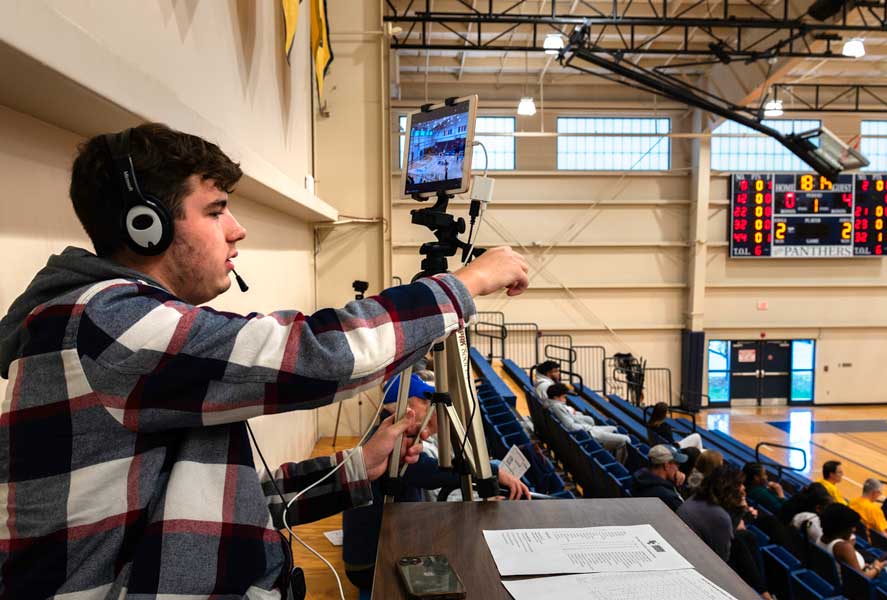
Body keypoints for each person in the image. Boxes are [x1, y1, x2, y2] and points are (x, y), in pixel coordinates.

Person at [0, 124, 530, 599]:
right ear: (146, 225)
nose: (237, 229)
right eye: (214, 211)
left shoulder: (108, 324)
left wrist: (356, 469)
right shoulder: (105, 323)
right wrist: (466, 284)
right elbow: (321, 356)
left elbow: (216, 513)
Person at [342, 374, 530, 592]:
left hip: (377, 548)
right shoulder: (391, 443)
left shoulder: (381, 434)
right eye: (430, 421)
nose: (428, 433)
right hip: (370, 563)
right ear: (412, 404)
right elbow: (431, 474)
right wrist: (492, 471)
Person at [678, 465, 774, 600]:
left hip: (688, 554)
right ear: (729, 488)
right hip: (700, 571)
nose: (744, 487)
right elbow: (723, 558)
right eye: (740, 484)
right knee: (741, 544)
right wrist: (741, 510)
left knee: (745, 538)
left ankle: (764, 592)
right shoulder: (719, 516)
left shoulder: (697, 498)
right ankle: (764, 594)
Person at [818, 503, 887, 587]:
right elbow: (862, 579)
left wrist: (868, 566)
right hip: (859, 588)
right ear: (841, 527)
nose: (854, 529)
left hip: (844, 580)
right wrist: (877, 567)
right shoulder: (844, 547)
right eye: (851, 526)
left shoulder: (820, 538)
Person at [545, 383, 629, 456]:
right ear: (556, 397)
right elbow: (570, 426)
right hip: (587, 434)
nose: (565, 397)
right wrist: (587, 427)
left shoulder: (554, 405)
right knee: (625, 440)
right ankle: (617, 465)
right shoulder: (557, 406)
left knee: (614, 428)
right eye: (563, 396)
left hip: (586, 431)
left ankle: (610, 455)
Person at [632, 445, 687, 512]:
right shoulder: (669, 498)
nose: (678, 468)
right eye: (677, 464)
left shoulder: (640, 476)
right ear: (666, 465)